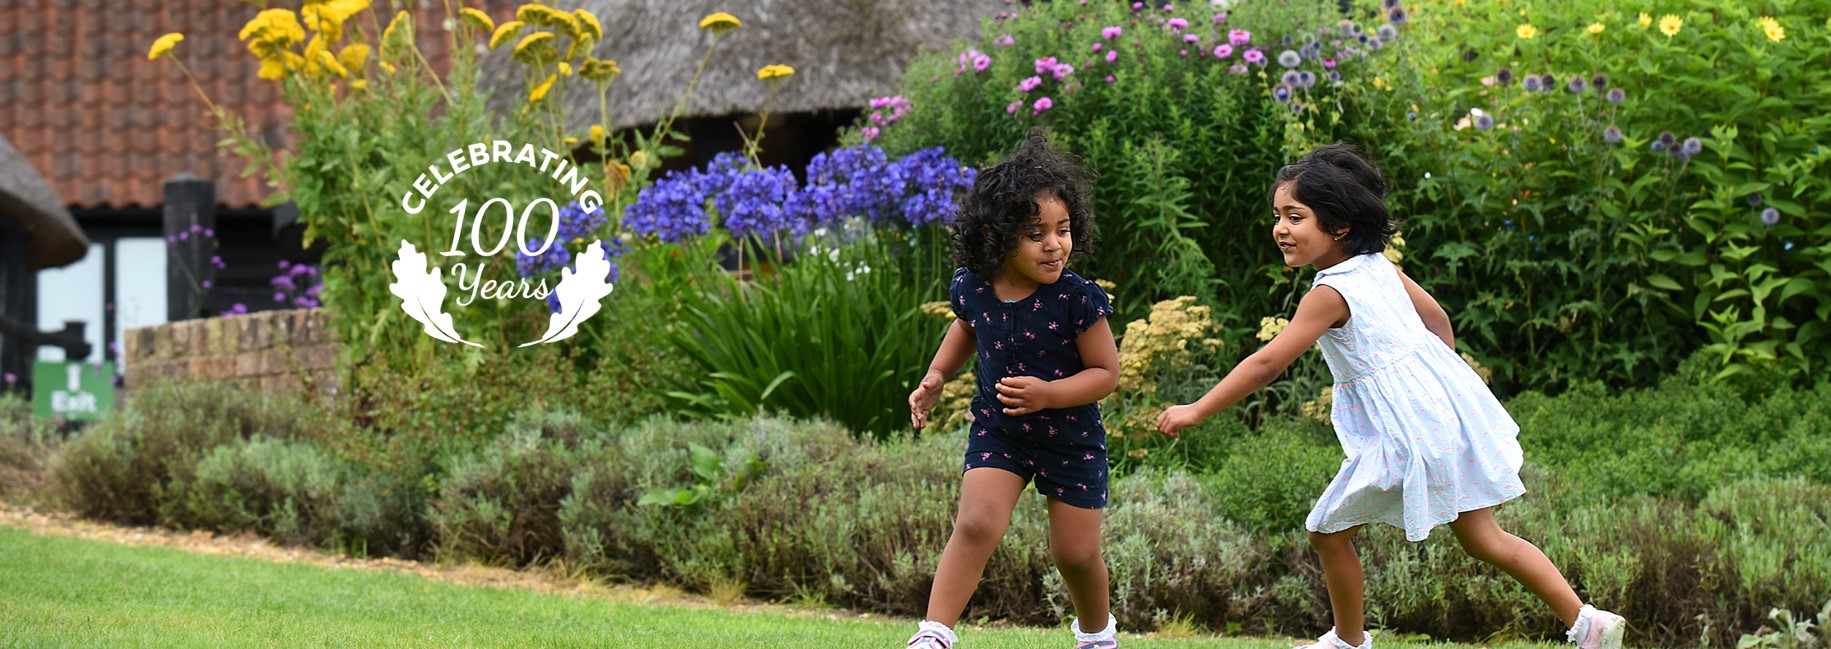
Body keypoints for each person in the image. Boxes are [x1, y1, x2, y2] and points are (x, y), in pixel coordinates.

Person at [1155, 143, 1626, 649]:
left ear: (1338, 226)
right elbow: (1438, 321)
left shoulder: (1328, 293)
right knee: (1484, 538)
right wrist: (1436, 394)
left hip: (1406, 433)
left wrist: (1197, 408)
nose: (1281, 229)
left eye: (1296, 217)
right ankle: (1588, 623)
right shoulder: (1378, 267)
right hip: (1440, 418)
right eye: (1277, 216)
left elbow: (1270, 361)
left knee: (1326, 531)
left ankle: (1348, 641)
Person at [905, 129, 1121, 649]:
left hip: (1070, 439)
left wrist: (1049, 394)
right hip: (1000, 430)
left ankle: (1096, 635)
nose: (1055, 245)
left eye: (1063, 230)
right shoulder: (974, 286)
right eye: (1036, 233)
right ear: (997, 236)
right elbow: (966, 327)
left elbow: (1105, 375)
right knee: (976, 523)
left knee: (1075, 554)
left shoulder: (1077, 300)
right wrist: (936, 376)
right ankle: (935, 634)